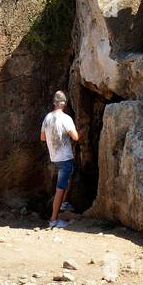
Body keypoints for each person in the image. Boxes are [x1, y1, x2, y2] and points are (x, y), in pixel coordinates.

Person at [40, 91, 79, 228]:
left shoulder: (47, 117)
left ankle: (64, 203)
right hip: (64, 157)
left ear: (54, 103)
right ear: (64, 103)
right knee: (60, 189)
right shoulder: (66, 118)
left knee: (69, 177)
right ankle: (54, 220)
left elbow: (43, 138)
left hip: (54, 157)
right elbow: (75, 137)